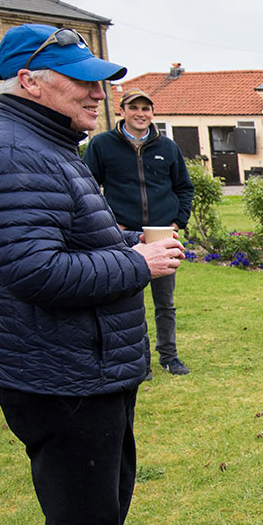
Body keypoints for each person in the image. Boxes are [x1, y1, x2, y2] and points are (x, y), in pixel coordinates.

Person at [0, 24, 192, 525]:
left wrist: (114, 239)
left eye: (99, 80)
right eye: (81, 79)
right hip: (60, 371)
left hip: (83, 365)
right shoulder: (10, 154)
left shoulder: (42, 145)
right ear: (30, 81)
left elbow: (53, 238)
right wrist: (135, 259)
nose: (99, 93)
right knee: (82, 506)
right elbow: (36, 272)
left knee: (99, 497)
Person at [83, 88, 195, 378]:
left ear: (152, 113)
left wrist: (177, 222)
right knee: (127, 303)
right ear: (122, 111)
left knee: (165, 303)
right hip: (121, 235)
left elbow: (183, 187)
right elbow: (86, 189)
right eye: (134, 108)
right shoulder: (101, 145)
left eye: (146, 108)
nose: (141, 114)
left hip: (161, 236)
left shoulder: (167, 148)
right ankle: (137, 362)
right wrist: (107, 224)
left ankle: (169, 356)